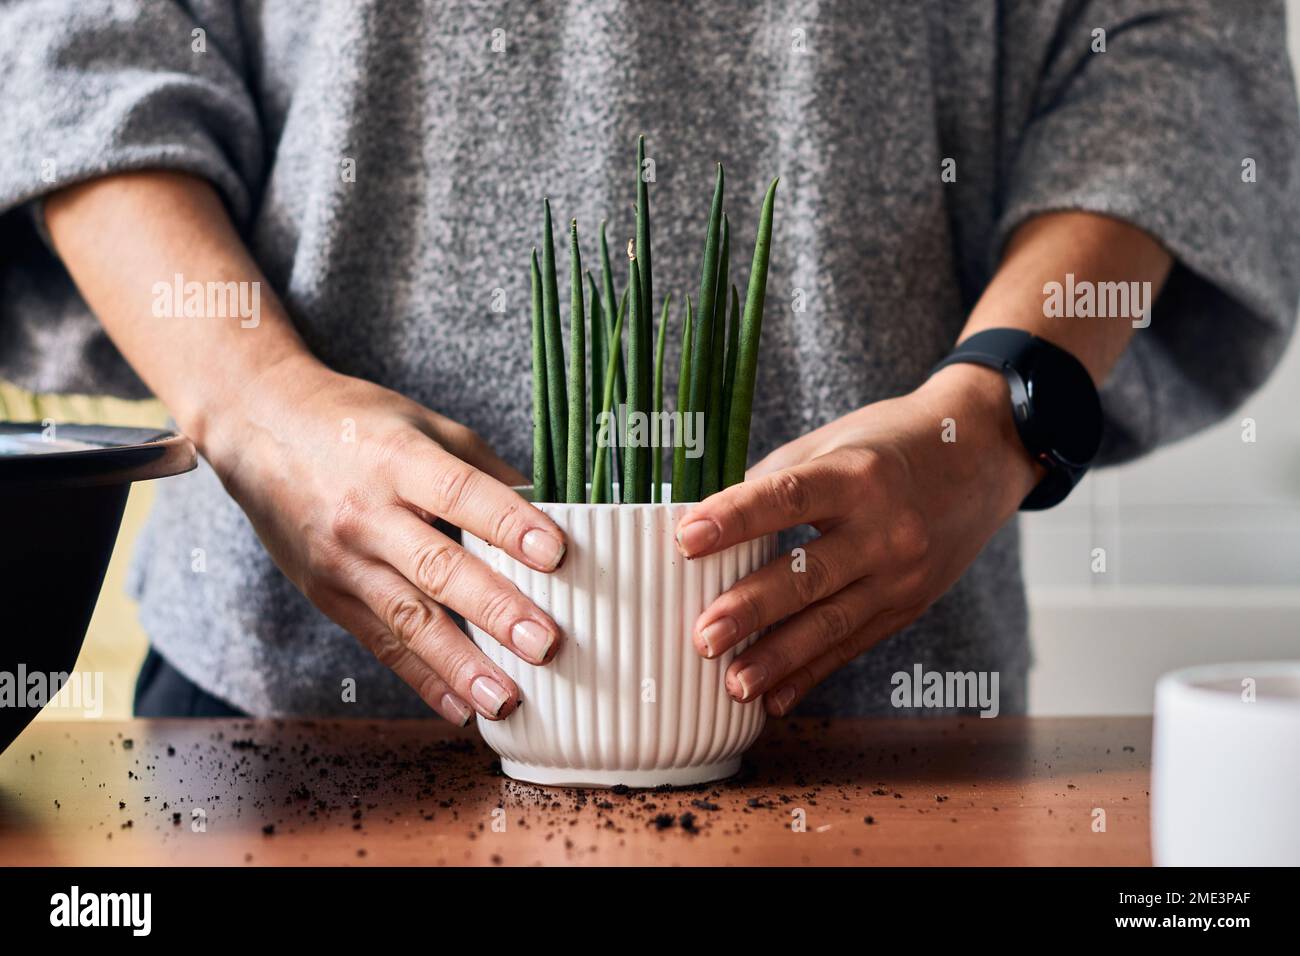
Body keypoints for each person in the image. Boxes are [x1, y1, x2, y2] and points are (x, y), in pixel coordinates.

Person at [1, 1, 1296, 721]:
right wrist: (258, 403)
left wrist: (1002, 409)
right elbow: (85, 39)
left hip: (882, 735)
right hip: (280, 718)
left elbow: (1176, 48)